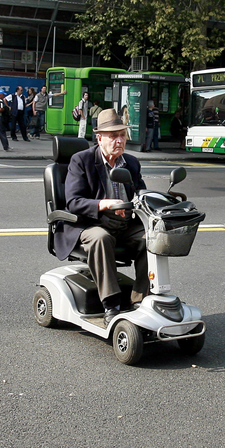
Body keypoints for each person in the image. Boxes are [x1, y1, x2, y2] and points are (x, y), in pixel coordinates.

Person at [56, 109, 149, 325]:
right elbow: (73, 201)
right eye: (112, 136)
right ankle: (112, 305)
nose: (119, 140)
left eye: (122, 135)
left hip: (124, 224)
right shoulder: (82, 160)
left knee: (152, 237)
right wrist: (103, 204)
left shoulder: (132, 163)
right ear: (99, 138)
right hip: (91, 223)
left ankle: (139, 300)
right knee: (101, 238)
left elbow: (141, 193)